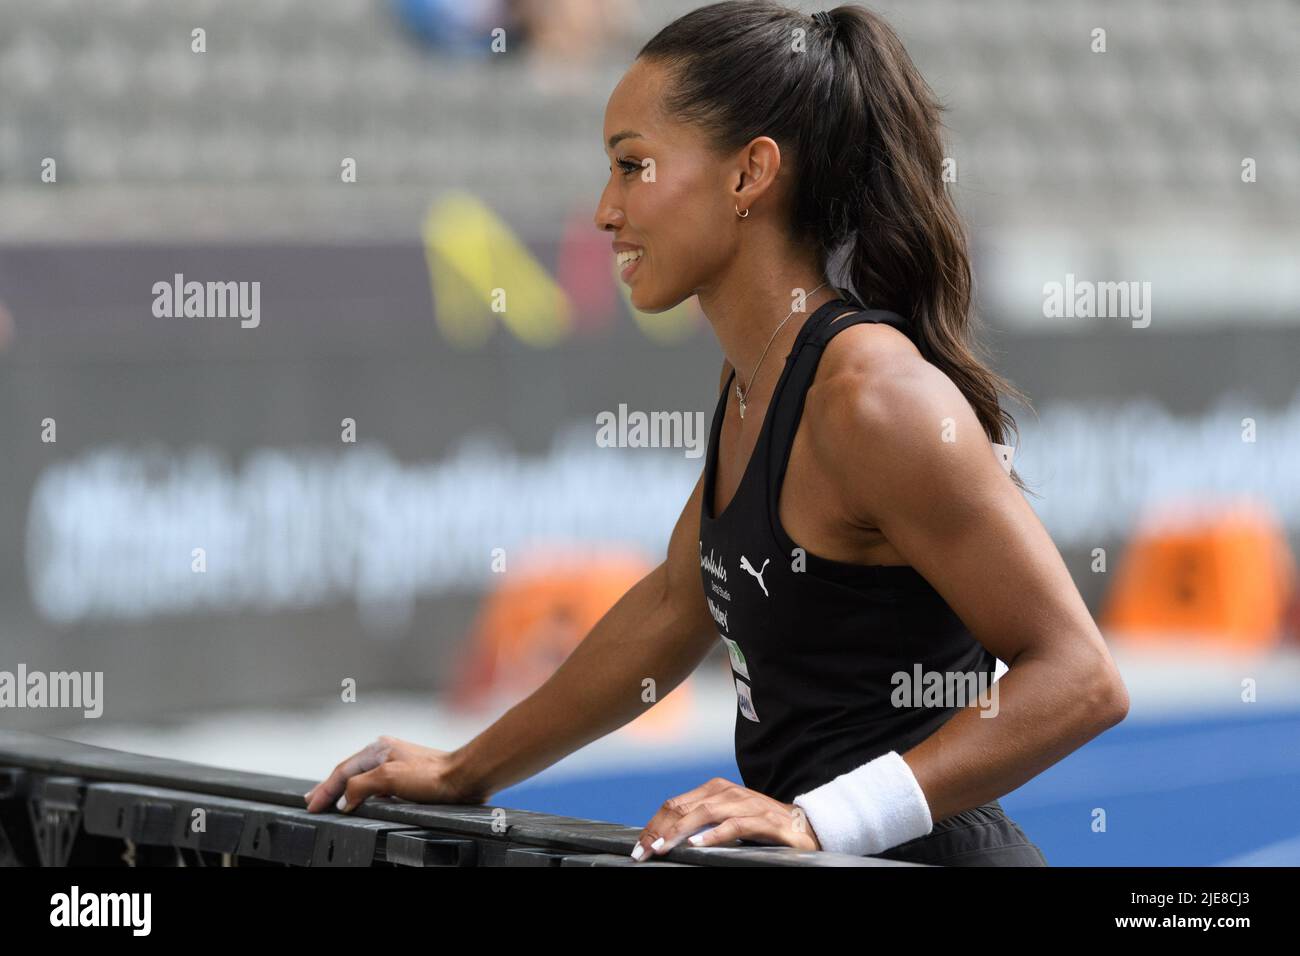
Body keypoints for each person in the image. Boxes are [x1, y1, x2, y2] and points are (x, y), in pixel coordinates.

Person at [305, 2, 1130, 865]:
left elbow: (1080, 678)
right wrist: (465, 769)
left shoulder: (872, 397)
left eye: (633, 166)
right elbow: (677, 601)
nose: (603, 210)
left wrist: (821, 821)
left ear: (750, 175)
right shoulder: (760, 374)